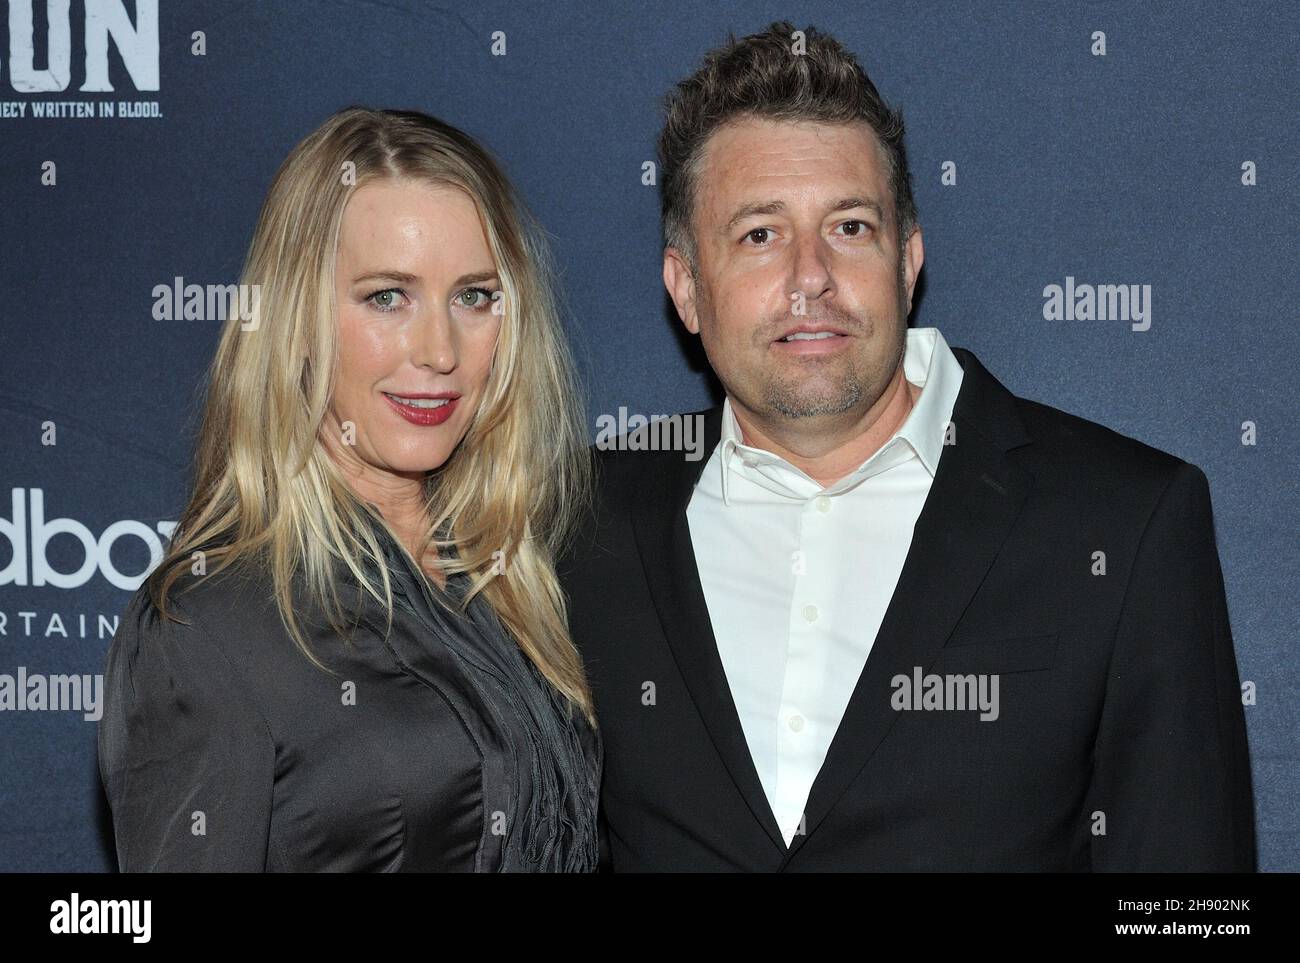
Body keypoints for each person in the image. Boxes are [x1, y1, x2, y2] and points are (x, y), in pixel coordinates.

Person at [559, 22, 1255, 871]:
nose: (810, 275)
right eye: (759, 235)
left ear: (908, 259)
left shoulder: (1125, 521)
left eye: (849, 227)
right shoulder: (577, 523)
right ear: (687, 288)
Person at [98, 107, 600, 872]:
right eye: (387, 297)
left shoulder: (510, 575)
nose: (439, 351)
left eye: (473, 296)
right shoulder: (209, 628)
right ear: (298, 319)